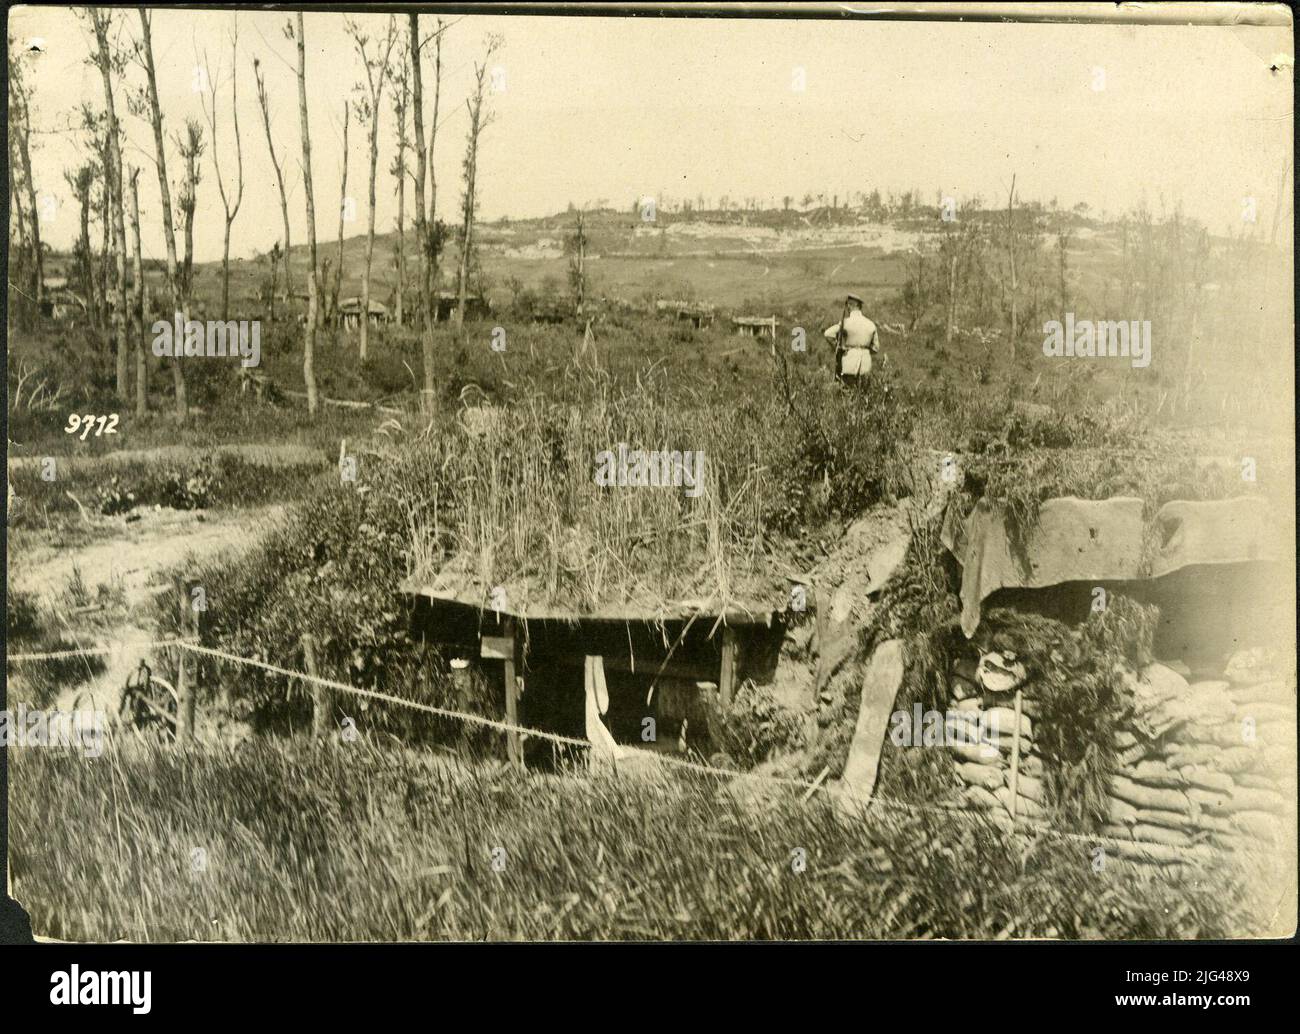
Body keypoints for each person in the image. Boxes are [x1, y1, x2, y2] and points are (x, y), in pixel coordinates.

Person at [822, 294, 880, 386]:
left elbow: (827, 334)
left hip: (849, 364)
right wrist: (864, 351)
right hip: (866, 365)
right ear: (860, 307)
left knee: (848, 392)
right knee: (864, 394)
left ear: (849, 306)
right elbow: (876, 348)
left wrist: (838, 347)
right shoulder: (871, 324)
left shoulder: (846, 323)